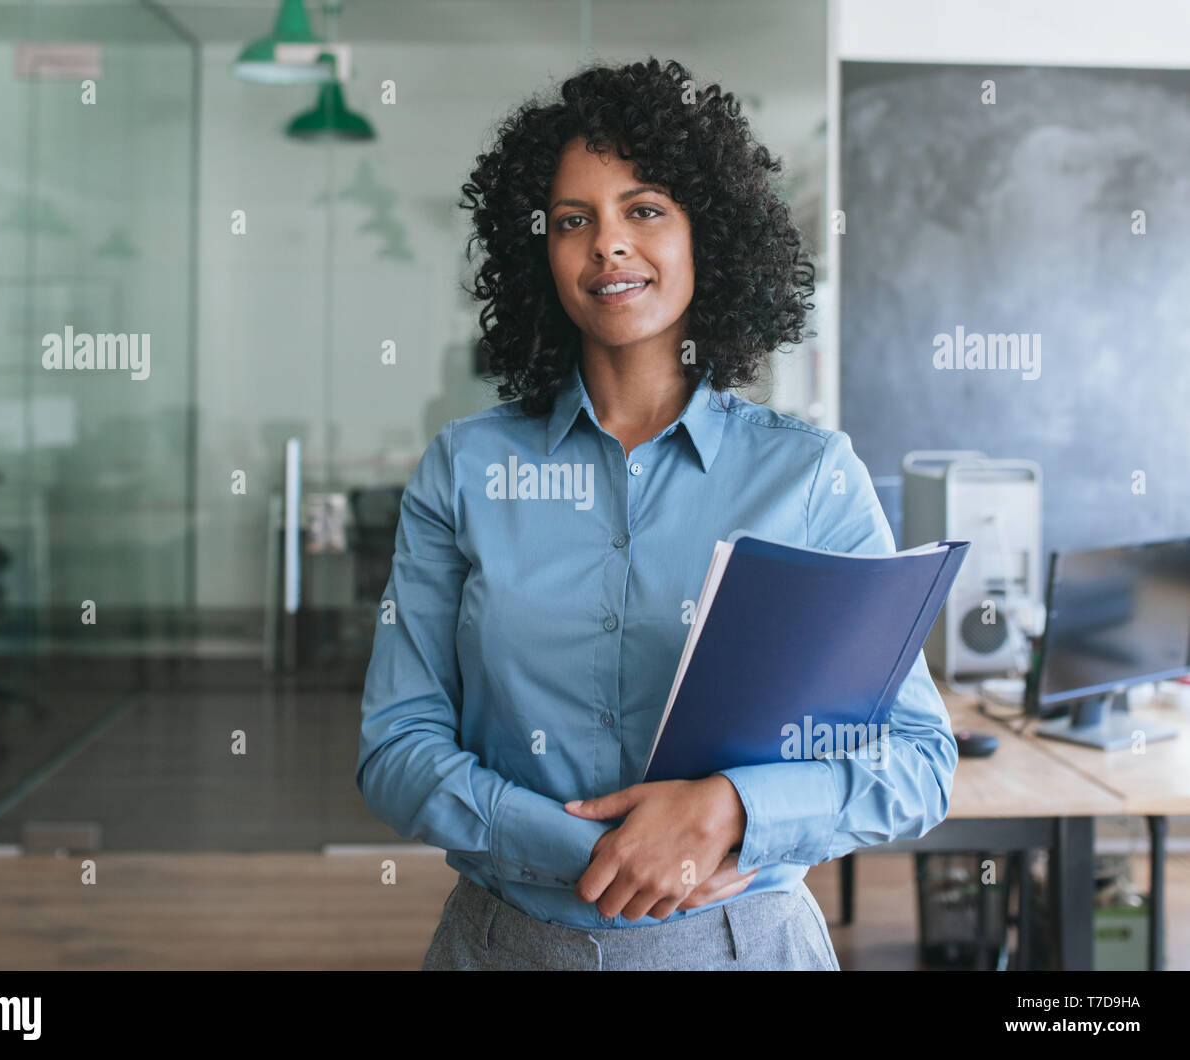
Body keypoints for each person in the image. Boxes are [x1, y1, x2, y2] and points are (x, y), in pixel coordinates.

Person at [355, 57, 957, 971]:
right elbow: (396, 746)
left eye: (644, 210)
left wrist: (729, 813)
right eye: (572, 221)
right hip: (506, 946)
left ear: (705, 236)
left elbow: (917, 761)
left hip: (742, 944)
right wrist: (599, 852)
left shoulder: (810, 477)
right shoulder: (466, 469)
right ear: (540, 256)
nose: (608, 245)